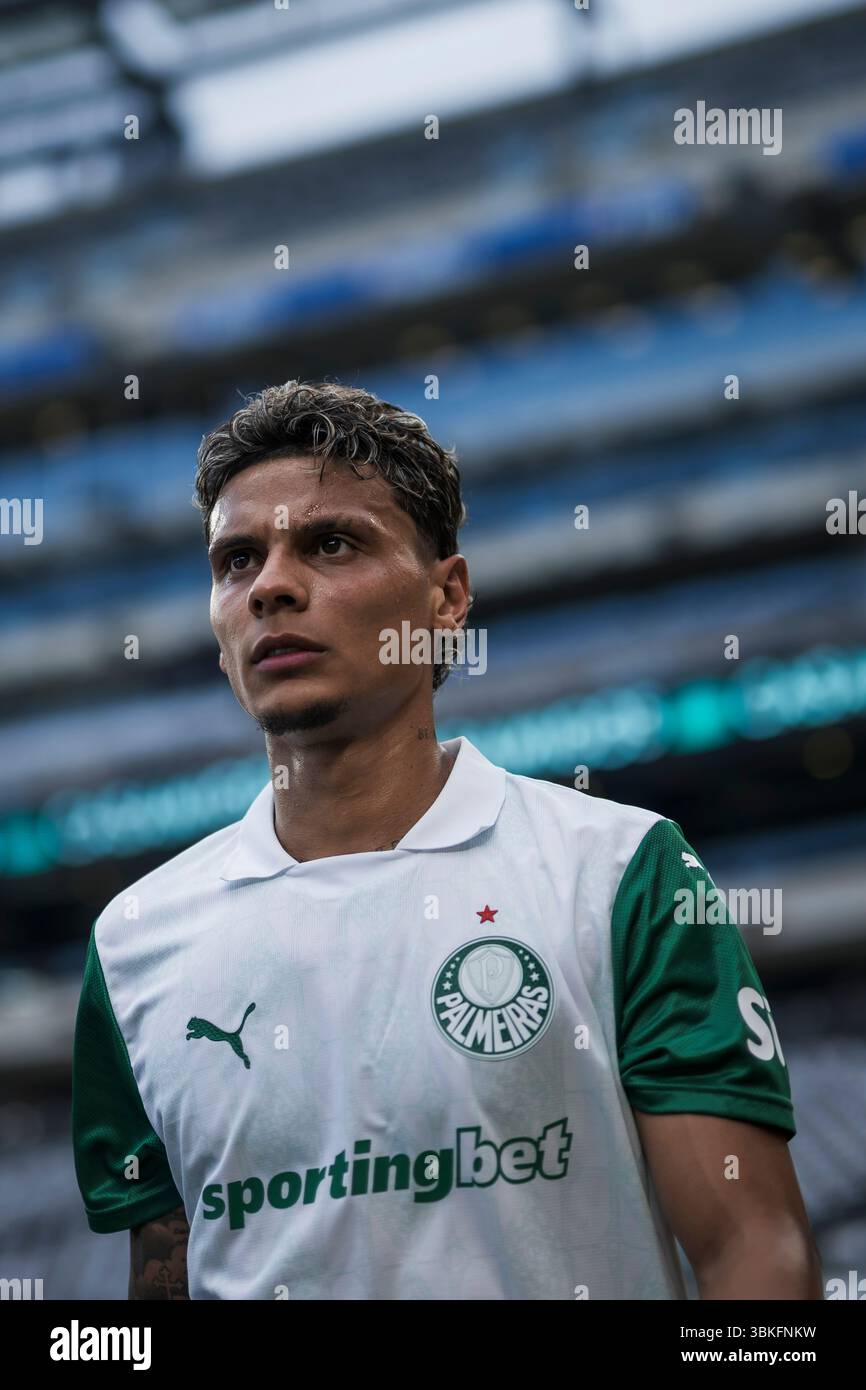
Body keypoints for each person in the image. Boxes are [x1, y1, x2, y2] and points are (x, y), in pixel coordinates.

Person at [72, 380, 822, 1300]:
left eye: (329, 543)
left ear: (447, 596)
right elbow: (160, 1286)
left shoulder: (621, 870)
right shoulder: (134, 942)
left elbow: (755, 1253)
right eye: (236, 562)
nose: (271, 585)